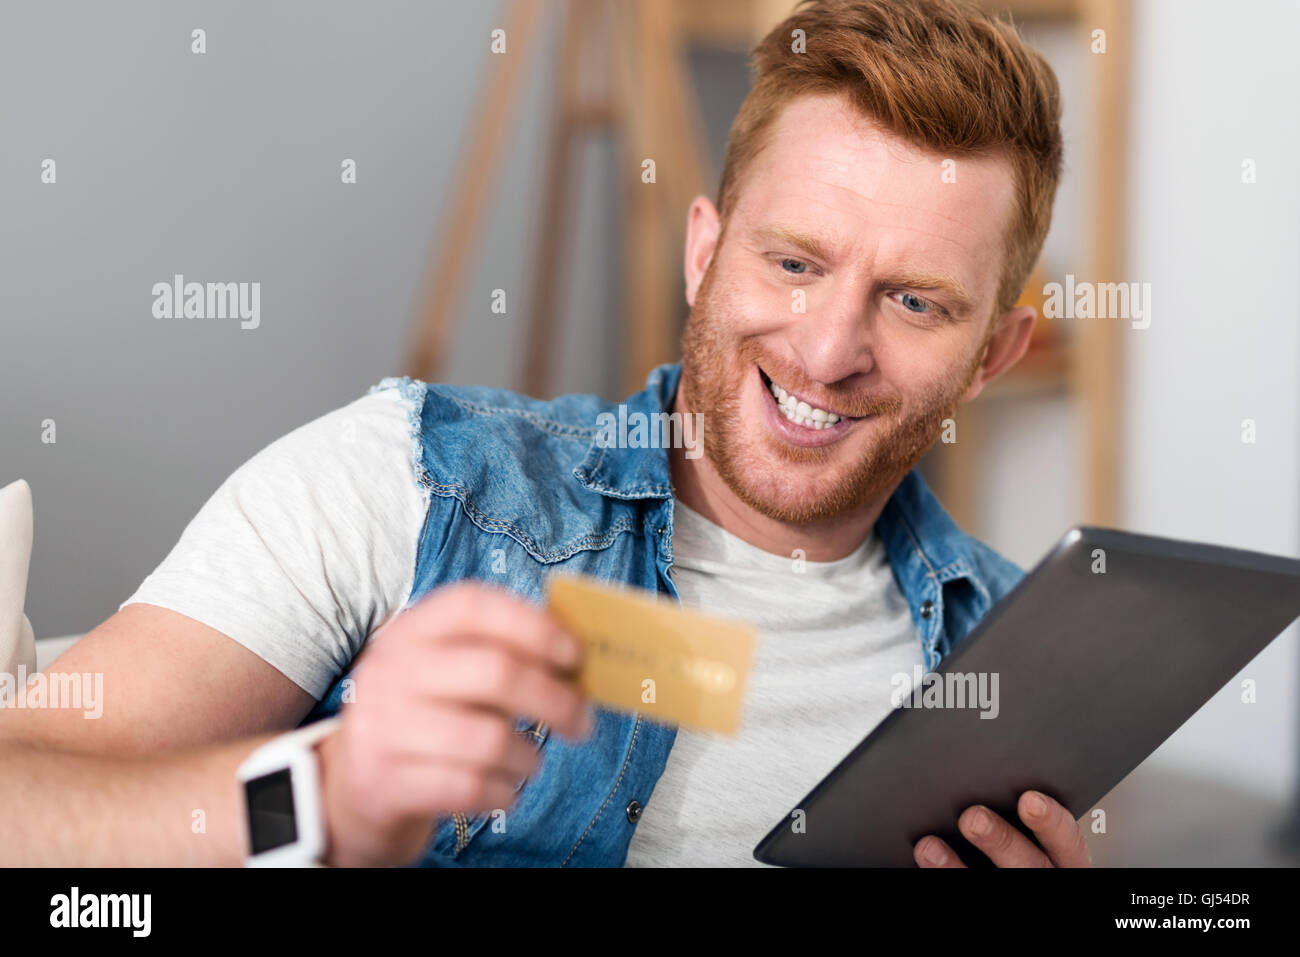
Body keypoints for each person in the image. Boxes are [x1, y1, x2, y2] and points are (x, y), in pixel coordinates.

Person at [0, 0, 1090, 868]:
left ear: (992, 354)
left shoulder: (1023, 659)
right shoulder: (406, 483)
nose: (827, 348)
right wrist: (320, 797)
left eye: (913, 303)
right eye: (794, 264)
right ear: (704, 253)